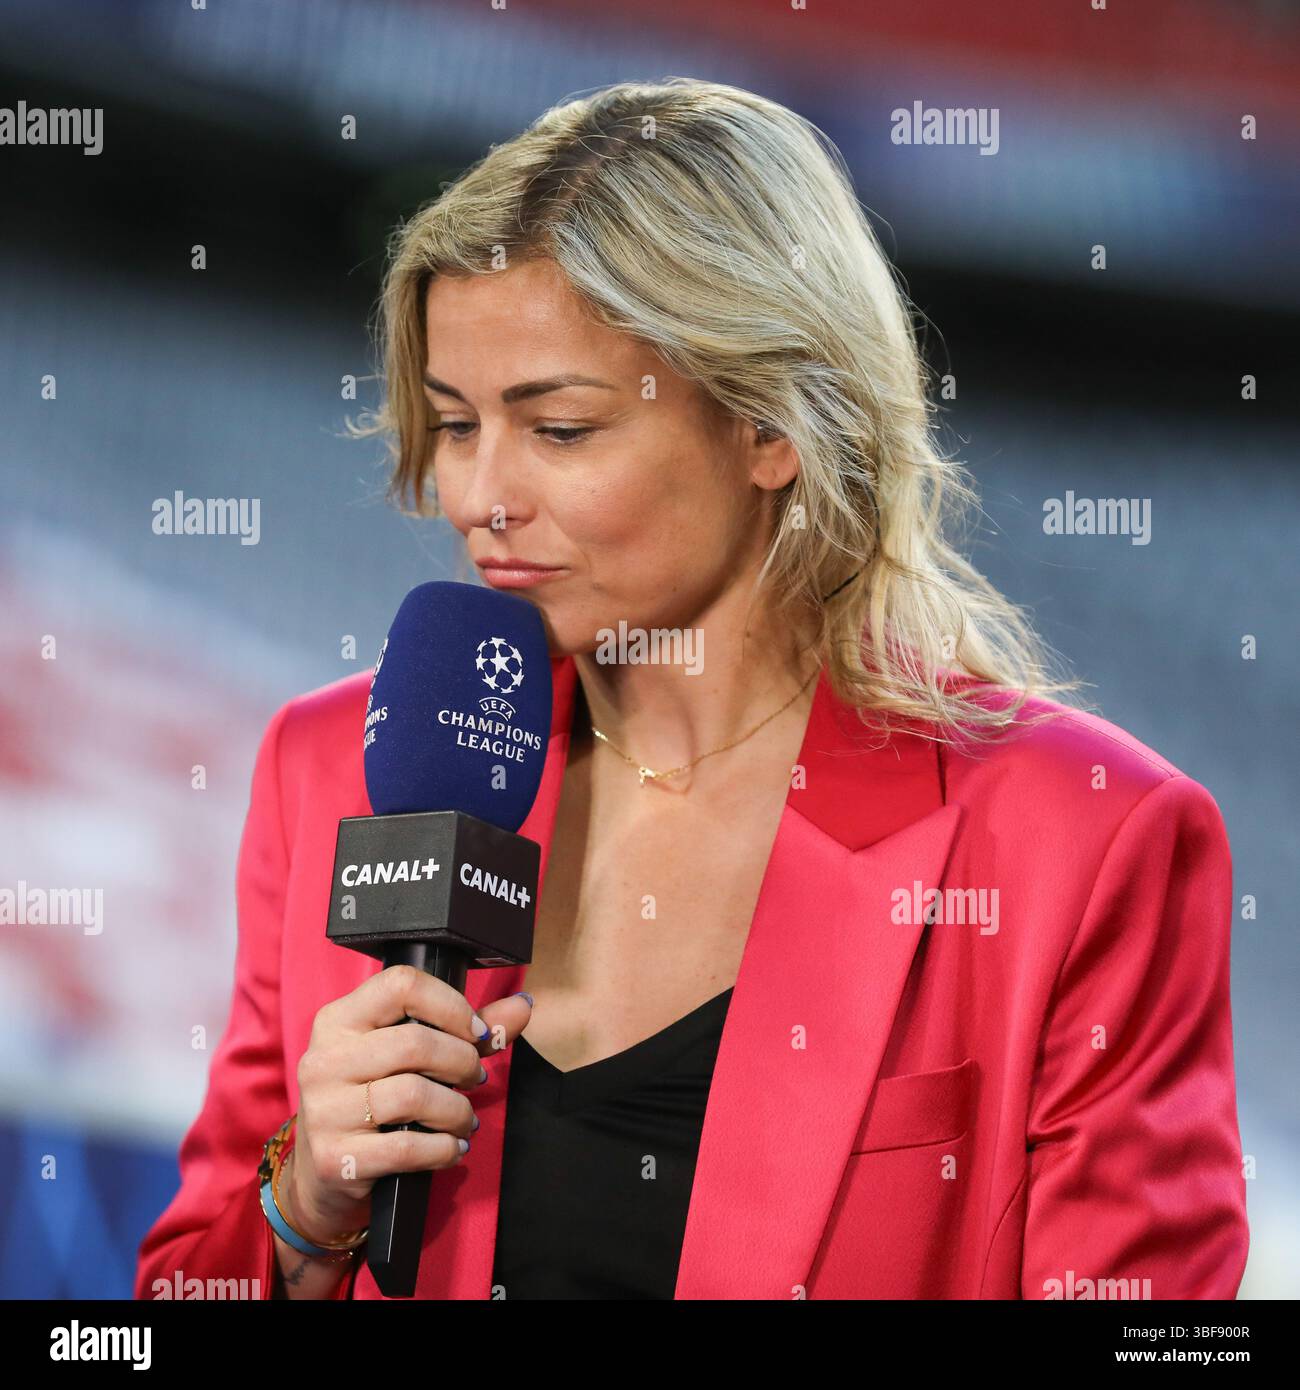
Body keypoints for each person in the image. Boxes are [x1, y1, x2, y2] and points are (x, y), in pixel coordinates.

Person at [134, 77, 1248, 1300]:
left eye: (557, 429)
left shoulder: (1080, 837)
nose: (477, 497)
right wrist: (305, 1208)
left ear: (773, 425)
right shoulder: (330, 764)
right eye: (455, 425)